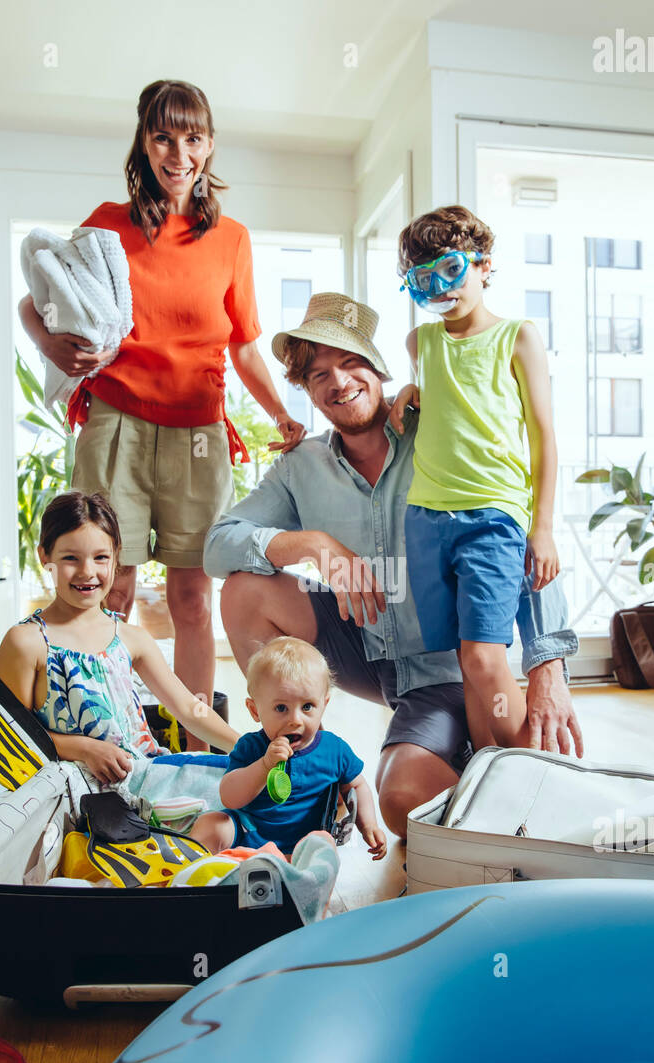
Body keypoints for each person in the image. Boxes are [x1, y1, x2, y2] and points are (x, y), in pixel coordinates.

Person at [204, 293, 583, 840]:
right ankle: (304, 761)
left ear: (378, 367)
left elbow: (513, 525)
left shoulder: (440, 433)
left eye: (350, 363)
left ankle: (497, 767)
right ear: (306, 390)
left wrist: (548, 665)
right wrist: (315, 546)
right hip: (373, 656)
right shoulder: (300, 467)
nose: (338, 382)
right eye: (318, 375)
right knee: (244, 589)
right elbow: (219, 545)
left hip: (461, 666)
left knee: (418, 797)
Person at [17, 79, 305, 748]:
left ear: (210, 144)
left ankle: (197, 740)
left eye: (193, 137)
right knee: (109, 590)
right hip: (114, 424)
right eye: (163, 137)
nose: (178, 153)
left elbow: (243, 344)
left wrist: (284, 416)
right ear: (144, 142)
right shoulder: (106, 225)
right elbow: (36, 300)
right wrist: (49, 341)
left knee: (190, 598)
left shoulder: (230, 238)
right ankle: (110, 730)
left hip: (198, 437)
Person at [389, 205, 559, 751]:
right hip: (426, 518)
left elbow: (543, 436)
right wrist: (409, 392)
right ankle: (488, 772)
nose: (441, 286)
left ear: (483, 265)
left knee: (488, 657)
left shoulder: (518, 337)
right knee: (466, 660)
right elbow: (434, 400)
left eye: (452, 268)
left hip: (493, 517)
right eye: (423, 278)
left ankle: (532, 774)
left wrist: (544, 527)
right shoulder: (421, 344)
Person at [0, 492, 239, 796]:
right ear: (45, 557)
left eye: (101, 557)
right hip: (77, 790)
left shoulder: (130, 637)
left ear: (116, 557)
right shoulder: (27, 643)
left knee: (241, 790)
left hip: (147, 778)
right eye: (70, 558)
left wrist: (248, 747)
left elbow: (190, 709)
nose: (87, 571)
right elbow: (10, 735)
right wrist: (83, 748)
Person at [197, 636, 386, 860]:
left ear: (323, 705)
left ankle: (306, 883)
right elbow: (230, 797)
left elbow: (357, 786)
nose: (295, 720)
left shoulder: (334, 749)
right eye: (281, 708)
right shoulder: (251, 746)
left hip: (304, 846)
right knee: (212, 823)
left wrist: (369, 825)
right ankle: (196, 878)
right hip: (249, 838)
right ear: (255, 710)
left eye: (307, 706)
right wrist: (265, 765)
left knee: (325, 843)